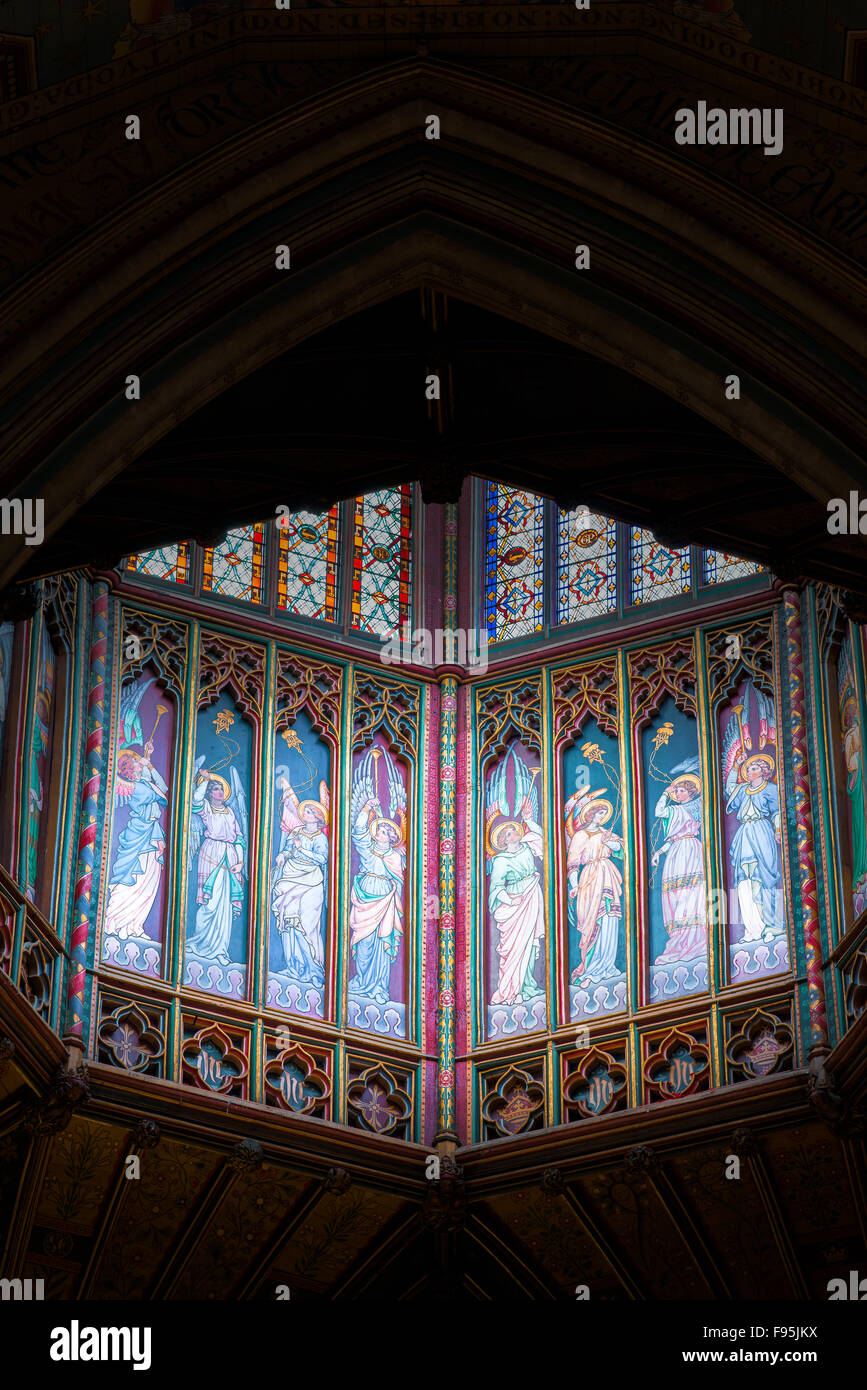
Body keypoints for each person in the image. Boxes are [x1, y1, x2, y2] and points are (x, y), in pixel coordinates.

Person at [104, 742, 168, 940]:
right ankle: (116, 918)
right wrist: (147, 763)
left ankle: (134, 924)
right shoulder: (137, 789)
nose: (140, 764)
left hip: (150, 832)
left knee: (149, 878)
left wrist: (148, 761)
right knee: (133, 875)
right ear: (130, 769)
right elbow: (157, 792)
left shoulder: (143, 784)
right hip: (139, 833)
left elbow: (162, 787)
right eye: (136, 763)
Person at [271, 775, 328, 985]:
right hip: (291, 877)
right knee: (289, 922)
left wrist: (302, 850)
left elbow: (322, 859)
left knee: (308, 925)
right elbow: (287, 849)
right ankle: (294, 965)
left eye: (313, 812)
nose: (308, 813)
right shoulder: (296, 831)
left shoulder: (321, 838)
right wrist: (282, 856)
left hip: (311, 881)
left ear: (320, 818)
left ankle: (313, 968)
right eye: (306, 810)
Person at [488, 800, 545, 1006]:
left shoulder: (528, 845)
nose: (514, 833)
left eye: (515, 830)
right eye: (509, 832)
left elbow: (543, 839)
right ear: (503, 840)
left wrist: (529, 819)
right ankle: (510, 989)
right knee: (514, 947)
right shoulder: (501, 860)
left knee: (530, 943)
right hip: (515, 903)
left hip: (532, 894)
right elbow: (496, 888)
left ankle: (528, 985)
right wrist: (510, 899)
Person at [348, 802, 405, 1004]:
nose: (383, 833)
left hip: (385, 899)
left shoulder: (394, 857)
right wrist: (366, 808)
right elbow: (358, 831)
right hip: (365, 895)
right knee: (364, 942)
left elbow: (398, 880)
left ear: (392, 837)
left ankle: (380, 987)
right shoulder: (367, 849)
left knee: (382, 943)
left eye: (386, 831)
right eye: (381, 829)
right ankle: (362, 981)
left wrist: (393, 895)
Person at [187, 772, 246, 965]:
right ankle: (198, 942)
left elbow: (238, 837)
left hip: (229, 855)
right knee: (209, 901)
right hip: (212, 852)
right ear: (209, 793)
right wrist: (204, 781)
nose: (219, 792)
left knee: (225, 905)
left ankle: (220, 950)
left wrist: (241, 862)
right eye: (215, 789)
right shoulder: (205, 807)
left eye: (221, 788)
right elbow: (195, 799)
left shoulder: (230, 812)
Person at [565, 796, 622, 987]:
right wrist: (574, 886)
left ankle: (606, 965)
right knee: (592, 922)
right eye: (599, 812)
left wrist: (609, 842)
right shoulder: (580, 836)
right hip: (589, 879)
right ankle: (590, 968)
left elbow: (621, 850)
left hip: (607, 875)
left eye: (604, 813)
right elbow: (572, 864)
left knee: (609, 918)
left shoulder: (605, 832)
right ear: (590, 814)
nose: (602, 816)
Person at [651, 773, 706, 963]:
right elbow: (659, 812)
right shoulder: (673, 810)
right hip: (675, 852)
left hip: (690, 849)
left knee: (692, 891)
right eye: (677, 791)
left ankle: (695, 937)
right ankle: (680, 938)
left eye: (681, 790)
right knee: (675, 893)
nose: (678, 794)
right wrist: (658, 852)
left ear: (690, 792)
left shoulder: (696, 807)